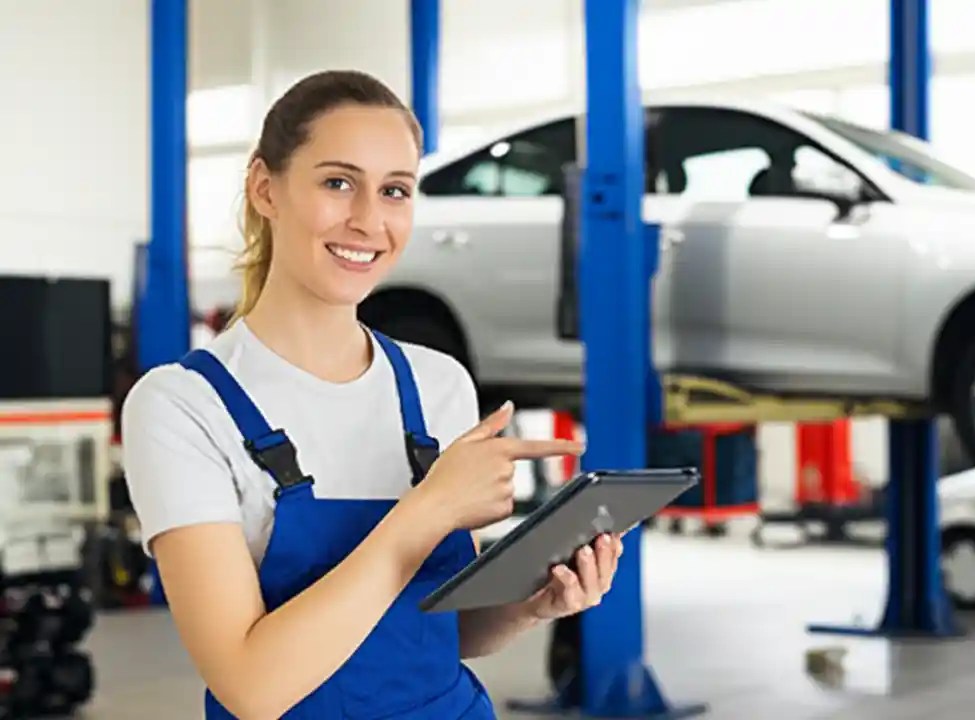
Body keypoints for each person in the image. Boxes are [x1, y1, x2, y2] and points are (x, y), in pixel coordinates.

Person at [121, 69, 620, 720]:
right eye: (338, 183)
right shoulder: (182, 406)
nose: (368, 221)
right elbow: (251, 686)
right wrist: (427, 510)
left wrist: (532, 604)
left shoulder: (437, 385)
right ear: (264, 188)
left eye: (395, 191)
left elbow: (444, 631)